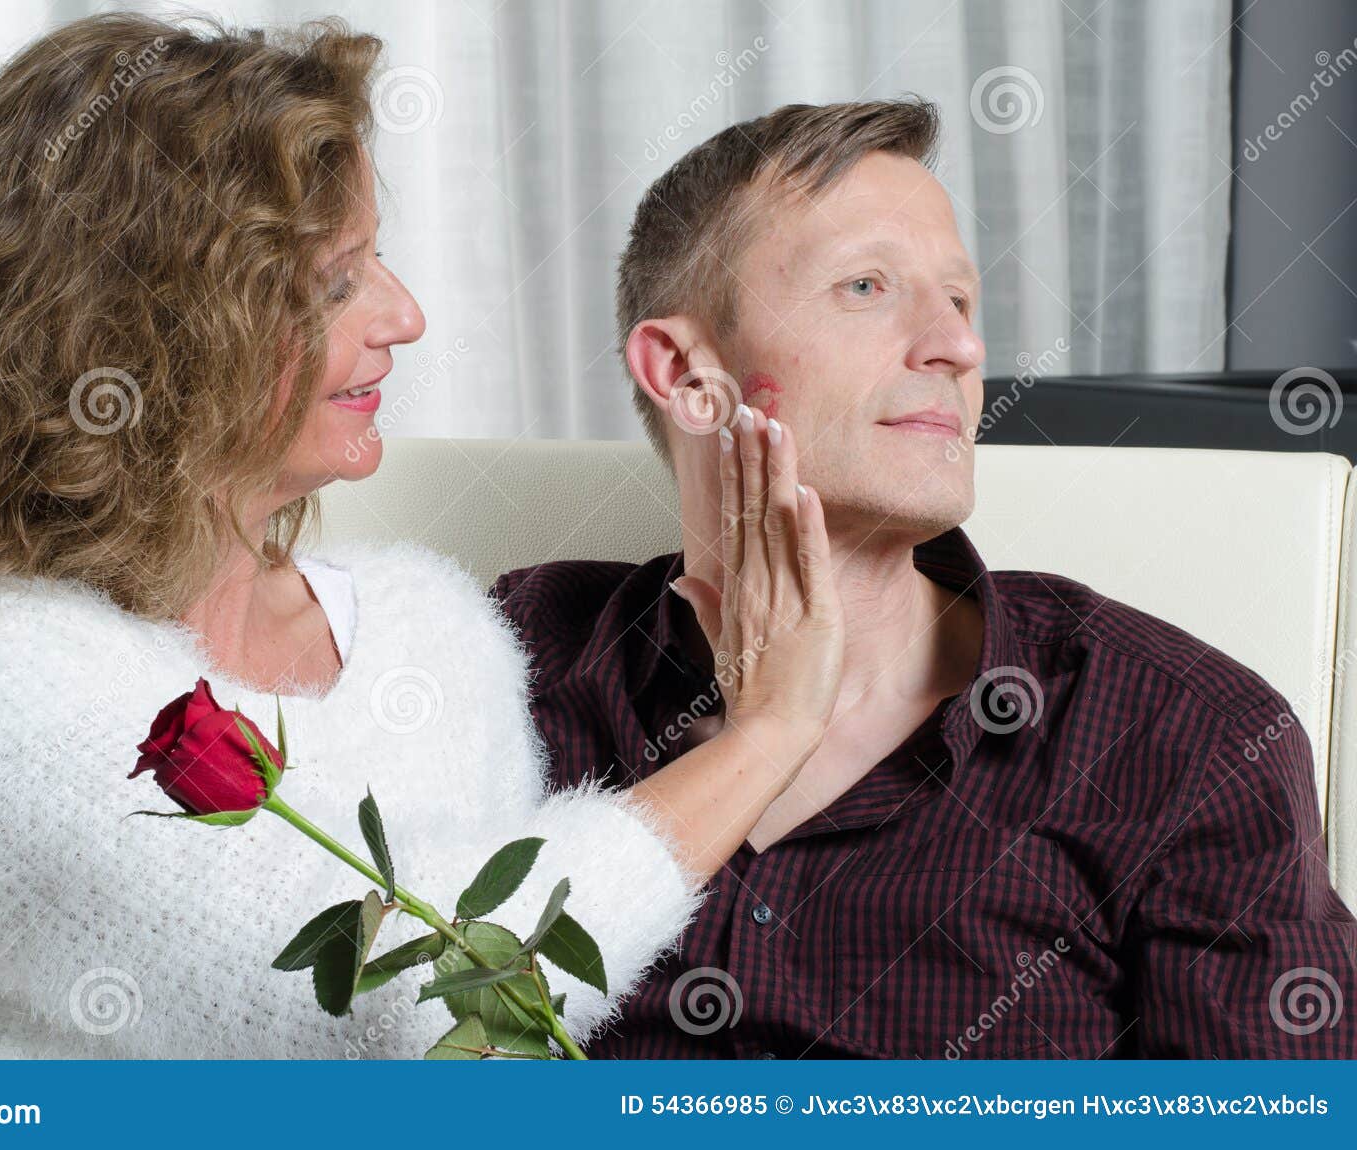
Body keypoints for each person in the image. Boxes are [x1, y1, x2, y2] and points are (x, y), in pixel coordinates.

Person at [0, 14, 845, 1059]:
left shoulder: (432, 630)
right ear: (143, 332)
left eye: (377, 261)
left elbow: (507, 1061)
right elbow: (401, 1017)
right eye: (336, 283)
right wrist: (767, 728)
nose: (404, 314)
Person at [493, 100, 1357, 1058]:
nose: (959, 346)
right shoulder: (498, 666)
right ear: (687, 372)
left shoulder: (1183, 735)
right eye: (866, 286)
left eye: (960, 301)